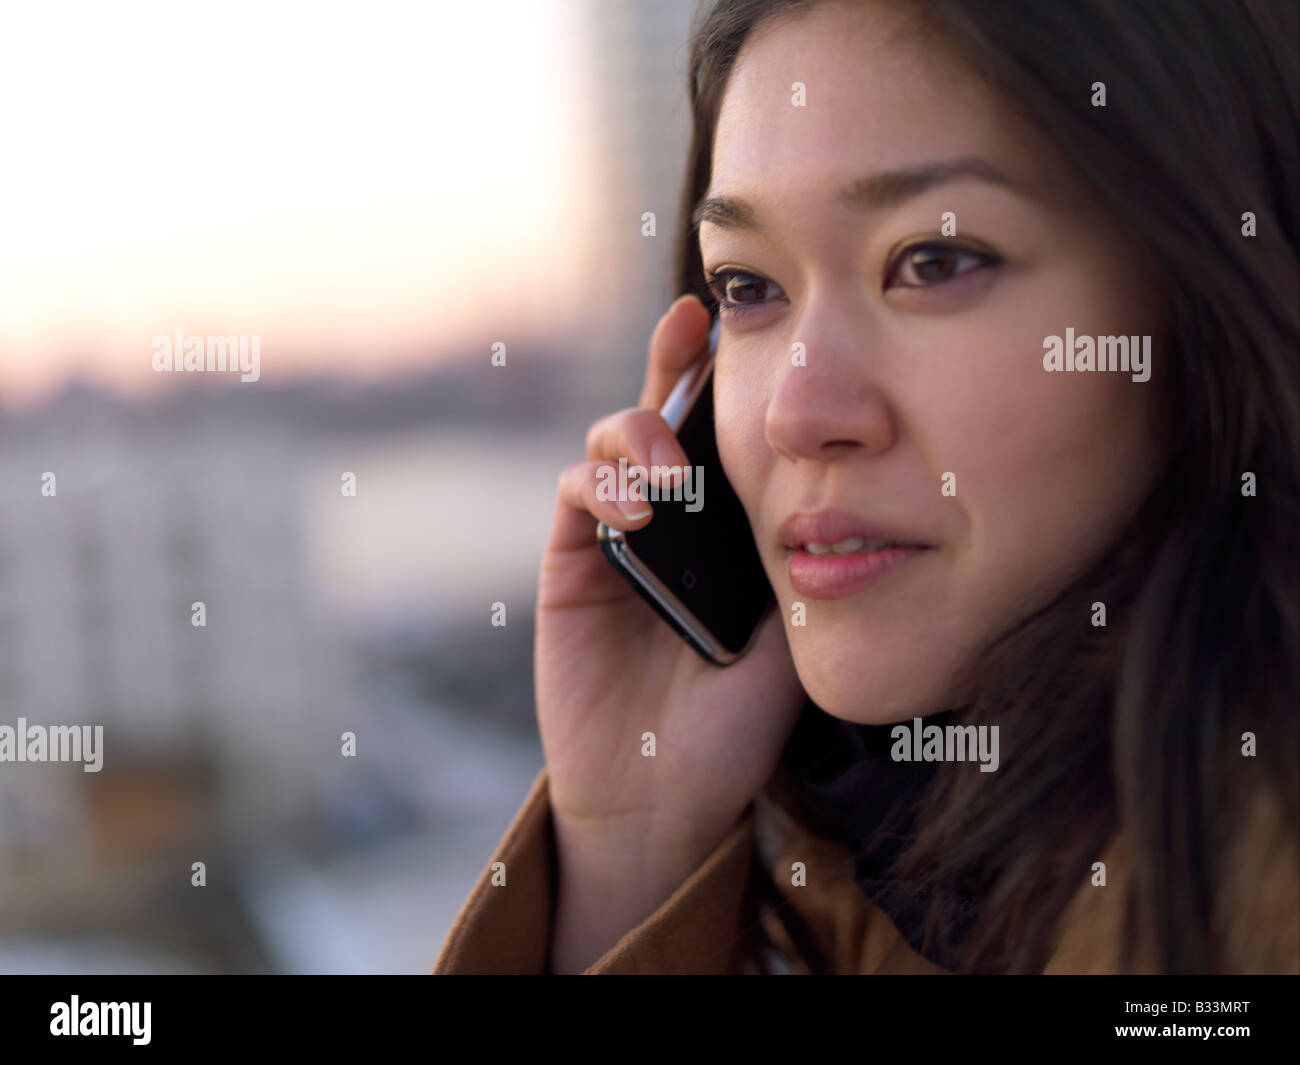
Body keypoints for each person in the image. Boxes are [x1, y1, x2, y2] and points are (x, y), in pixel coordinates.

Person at [434, 0, 1299, 974]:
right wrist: (634, 843)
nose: (794, 415)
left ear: (1206, 300)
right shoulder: (885, 875)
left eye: (933, 262)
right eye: (747, 289)